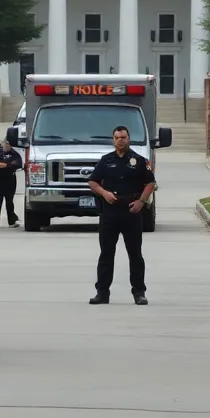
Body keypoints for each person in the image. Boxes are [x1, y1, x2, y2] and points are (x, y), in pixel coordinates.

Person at [86, 125, 157, 306]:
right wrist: (104, 193)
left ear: (128, 138)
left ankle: (139, 293)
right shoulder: (105, 160)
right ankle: (102, 293)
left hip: (131, 211)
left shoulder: (139, 160)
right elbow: (92, 182)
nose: (120, 140)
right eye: (117, 137)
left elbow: (150, 183)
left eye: (123, 137)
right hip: (110, 211)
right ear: (113, 140)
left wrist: (141, 201)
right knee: (106, 253)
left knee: (135, 254)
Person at [0, 139, 22, 229]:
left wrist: (7, 165)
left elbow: (18, 164)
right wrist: (6, 164)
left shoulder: (14, 154)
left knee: (10, 201)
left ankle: (11, 221)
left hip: (10, 180)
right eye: (6, 144)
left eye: (9, 144)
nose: (7, 146)